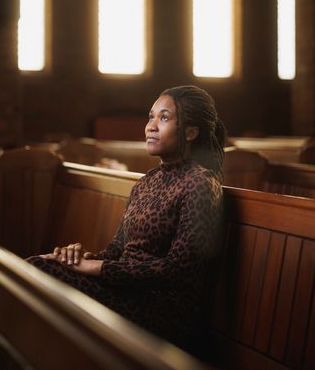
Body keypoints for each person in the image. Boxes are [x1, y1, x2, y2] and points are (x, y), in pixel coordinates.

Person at [26, 85, 227, 356]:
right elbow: (116, 252)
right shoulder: (146, 182)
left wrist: (95, 268)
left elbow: (179, 271)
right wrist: (75, 259)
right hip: (125, 291)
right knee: (40, 267)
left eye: (164, 118)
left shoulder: (201, 183)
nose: (151, 126)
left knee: (41, 273)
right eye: (150, 117)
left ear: (191, 132)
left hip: (164, 309)